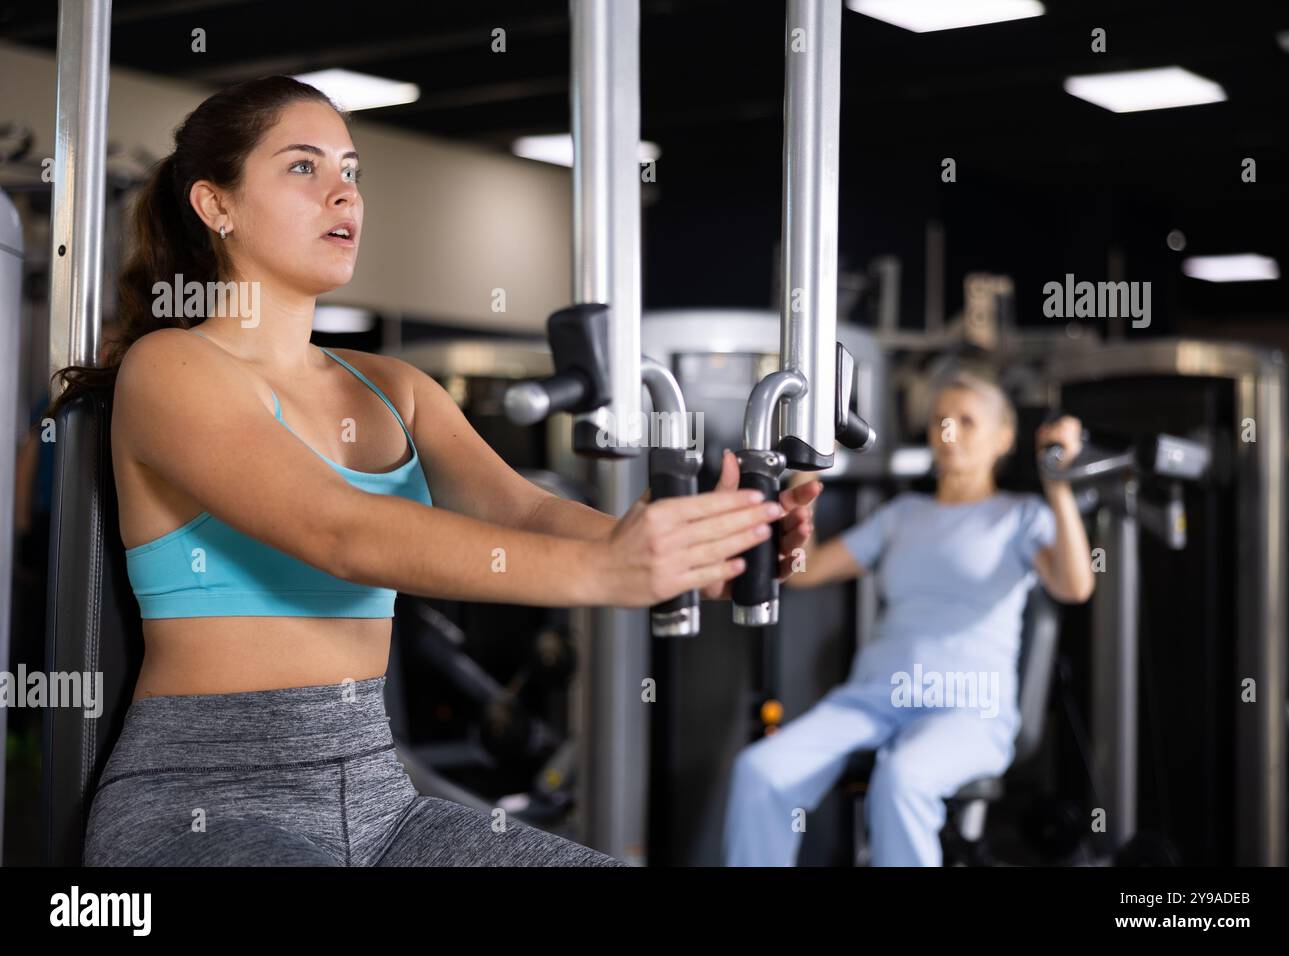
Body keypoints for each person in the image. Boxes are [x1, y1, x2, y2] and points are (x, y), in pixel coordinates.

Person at [43, 75, 822, 867]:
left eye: (351, 171)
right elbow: (337, 530)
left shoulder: (395, 388)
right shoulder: (172, 367)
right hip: (201, 801)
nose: (343, 194)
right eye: (305, 168)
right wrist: (603, 569)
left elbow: (521, 513)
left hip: (381, 803)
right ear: (217, 206)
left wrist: (704, 554)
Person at [722, 371, 1094, 866]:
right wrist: (805, 467)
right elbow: (805, 571)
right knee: (760, 772)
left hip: (969, 708)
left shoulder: (1020, 515)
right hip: (875, 697)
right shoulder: (901, 516)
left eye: (966, 421)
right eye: (940, 421)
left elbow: (1074, 585)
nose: (949, 433)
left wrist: (1059, 488)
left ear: (1004, 438)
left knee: (903, 779)